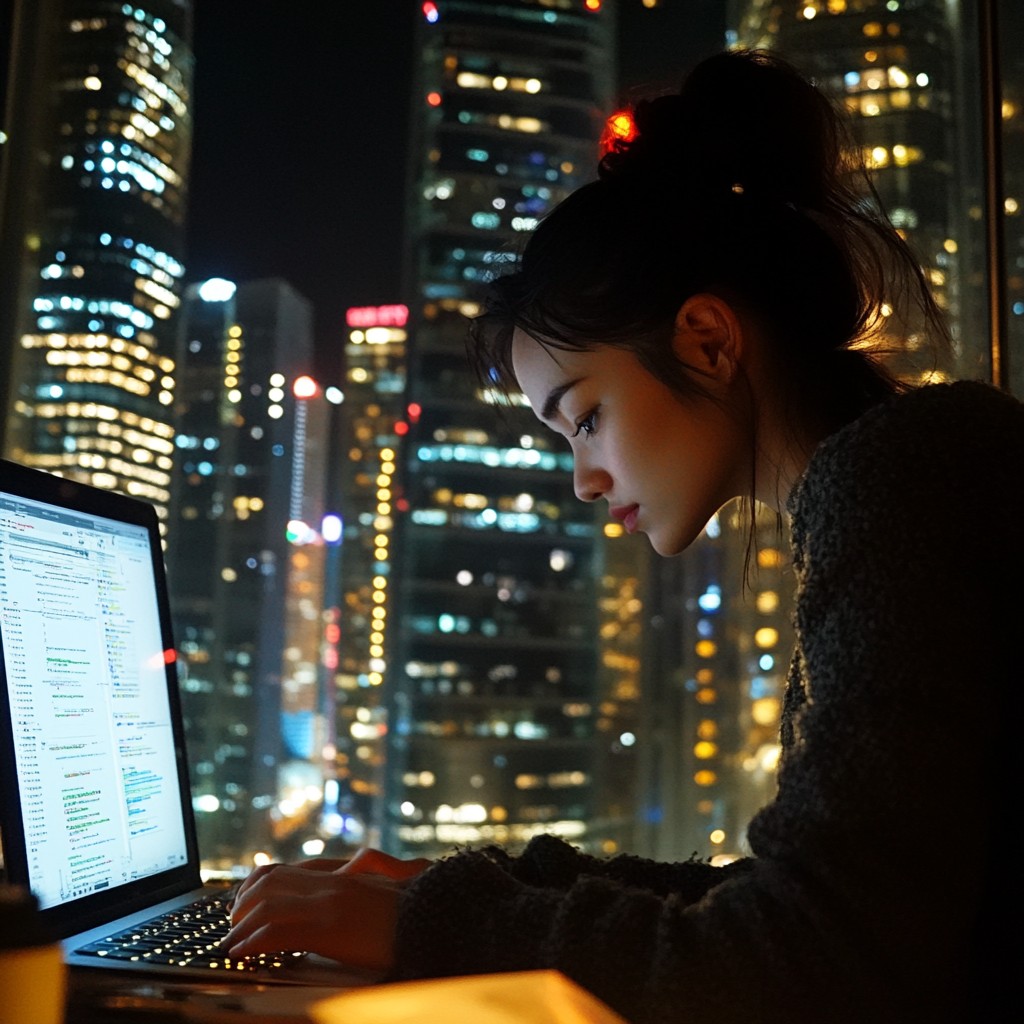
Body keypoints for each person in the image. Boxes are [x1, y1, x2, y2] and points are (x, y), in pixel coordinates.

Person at [223, 49, 1023, 1022]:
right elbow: (799, 897)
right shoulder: (900, 473)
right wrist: (470, 888)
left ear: (708, 340)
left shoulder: (900, 483)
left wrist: (436, 919)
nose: (583, 477)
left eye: (584, 415)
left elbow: (818, 956)